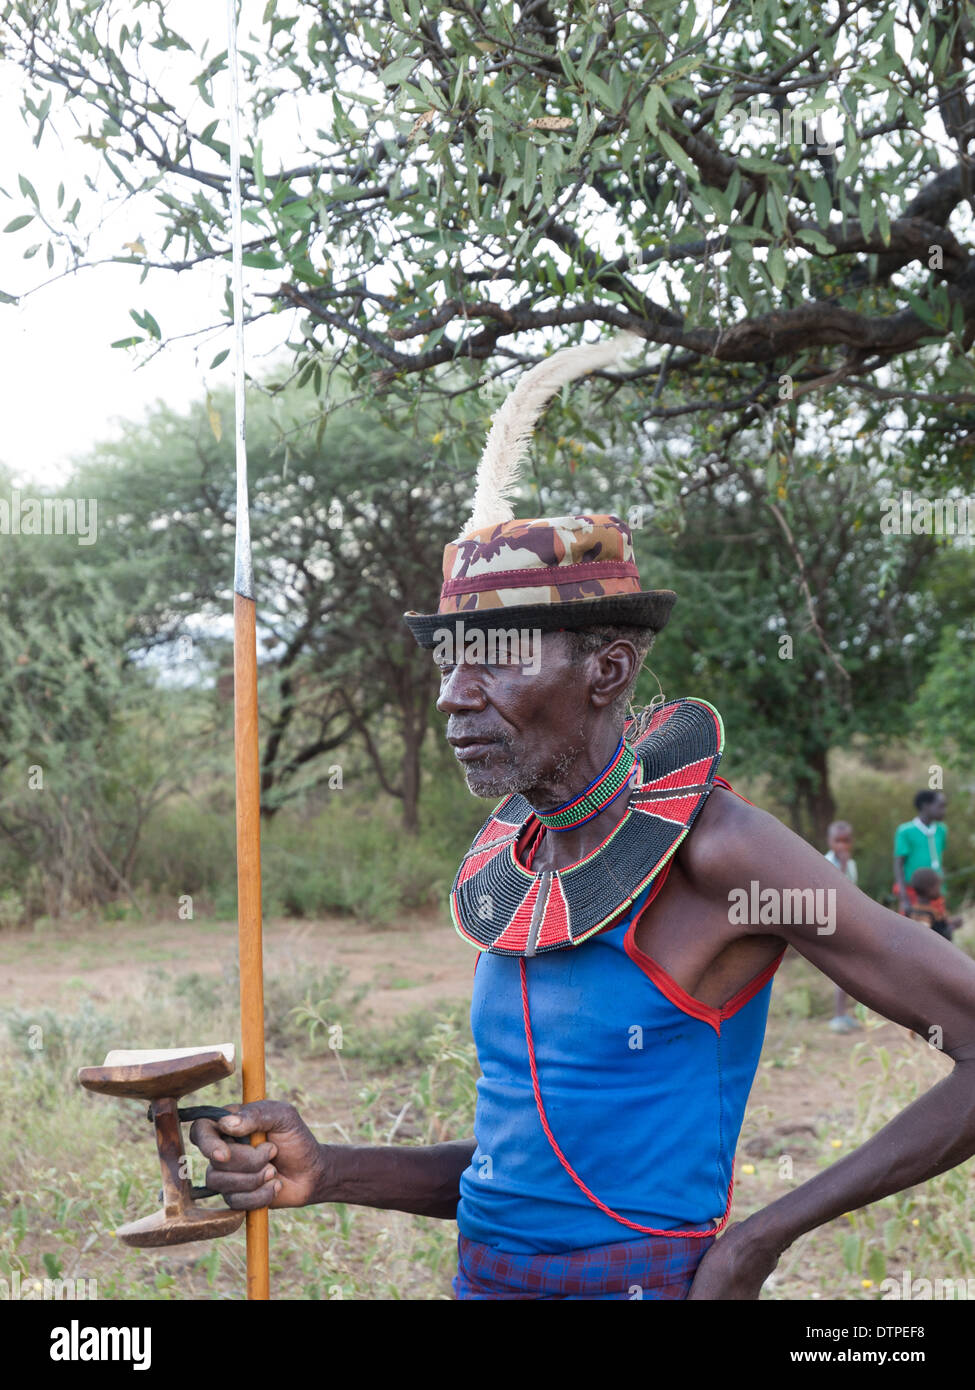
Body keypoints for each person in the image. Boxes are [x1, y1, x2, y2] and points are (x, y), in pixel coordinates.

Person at [189, 335, 975, 1301]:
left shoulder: (721, 855)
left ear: (607, 670)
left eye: (498, 657)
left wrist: (752, 1246)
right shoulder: (514, 871)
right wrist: (330, 1170)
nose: (454, 698)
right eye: (449, 662)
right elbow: (532, 1169)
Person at [823, 821, 860, 1033]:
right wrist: (843, 867)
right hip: (831, 922)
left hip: (846, 922)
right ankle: (837, 1017)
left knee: (848, 971)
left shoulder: (852, 864)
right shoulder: (825, 861)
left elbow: (852, 893)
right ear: (830, 842)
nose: (842, 846)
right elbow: (834, 889)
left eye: (846, 841)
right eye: (838, 841)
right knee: (840, 970)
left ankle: (843, 1015)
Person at [893, 790, 948, 916]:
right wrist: (904, 898)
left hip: (935, 892)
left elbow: (939, 860)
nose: (943, 811)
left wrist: (942, 887)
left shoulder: (941, 830)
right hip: (913, 893)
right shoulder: (905, 831)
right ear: (925, 806)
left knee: (937, 928)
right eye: (940, 806)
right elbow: (898, 865)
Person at [905, 867, 961, 942]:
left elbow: (938, 925)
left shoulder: (912, 910)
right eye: (938, 886)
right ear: (930, 890)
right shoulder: (925, 915)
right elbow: (924, 938)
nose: (940, 890)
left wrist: (950, 922)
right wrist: (951, 927)